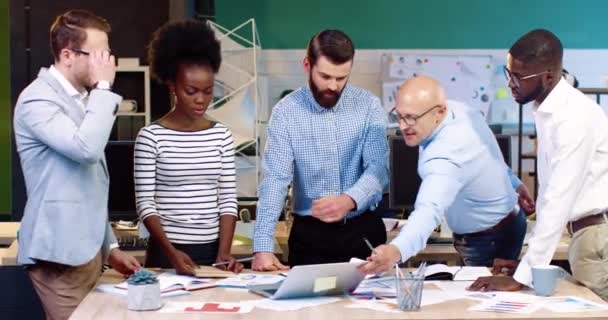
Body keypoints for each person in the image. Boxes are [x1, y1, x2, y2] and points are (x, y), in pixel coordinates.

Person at [12, 9, 140, 320]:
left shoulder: (81, 101)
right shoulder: (37, 100)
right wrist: (105, 89)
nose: (107, 64)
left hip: (88, 256)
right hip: (59, 258)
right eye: (97, 55)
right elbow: (85, 150)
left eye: (107, 54)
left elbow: (88, 186)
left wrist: (110, 248)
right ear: (67, 55)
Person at [469, 29, 608, 300]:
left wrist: (525, 275)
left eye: (519, 77)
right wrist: (526, 263)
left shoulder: (573, 117)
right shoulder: (548, 111)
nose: (511, 83)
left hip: (595, 240)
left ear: (548, 76)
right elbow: (549, 199)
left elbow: (559, 198)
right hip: (583, 238)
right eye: (509, 73)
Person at [360, 76, 535, 274]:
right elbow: (489, 152)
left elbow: (429, 211)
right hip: (504, 223)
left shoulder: (444, 156)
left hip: (489, 240)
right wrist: (513, 182)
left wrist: (395, 250)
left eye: (411, 118)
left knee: (482, 299)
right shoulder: (460, 110)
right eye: (399, 116)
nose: (402, 126)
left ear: (439, 111)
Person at [252, 29, 389, 270]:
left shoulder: (369, 106)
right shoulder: (286, 112)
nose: (333, 86)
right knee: (307, 308)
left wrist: (349, 200)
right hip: (310, 238)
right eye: (325, 76)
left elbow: (378, 168)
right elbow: (275, 179)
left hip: (362, 233)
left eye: (341, 78)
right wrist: (262, 246)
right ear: (307, 65)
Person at [135, 20, 243, 276]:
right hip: (166, 252)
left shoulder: (221, 136)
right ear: (172, 86)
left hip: (212, 251)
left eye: (207, 91)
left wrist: (224, 253)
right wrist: (171, 253)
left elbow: (228, 201)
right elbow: (145, 205)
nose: (200, 100)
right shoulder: (151, 137)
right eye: (191, 91)